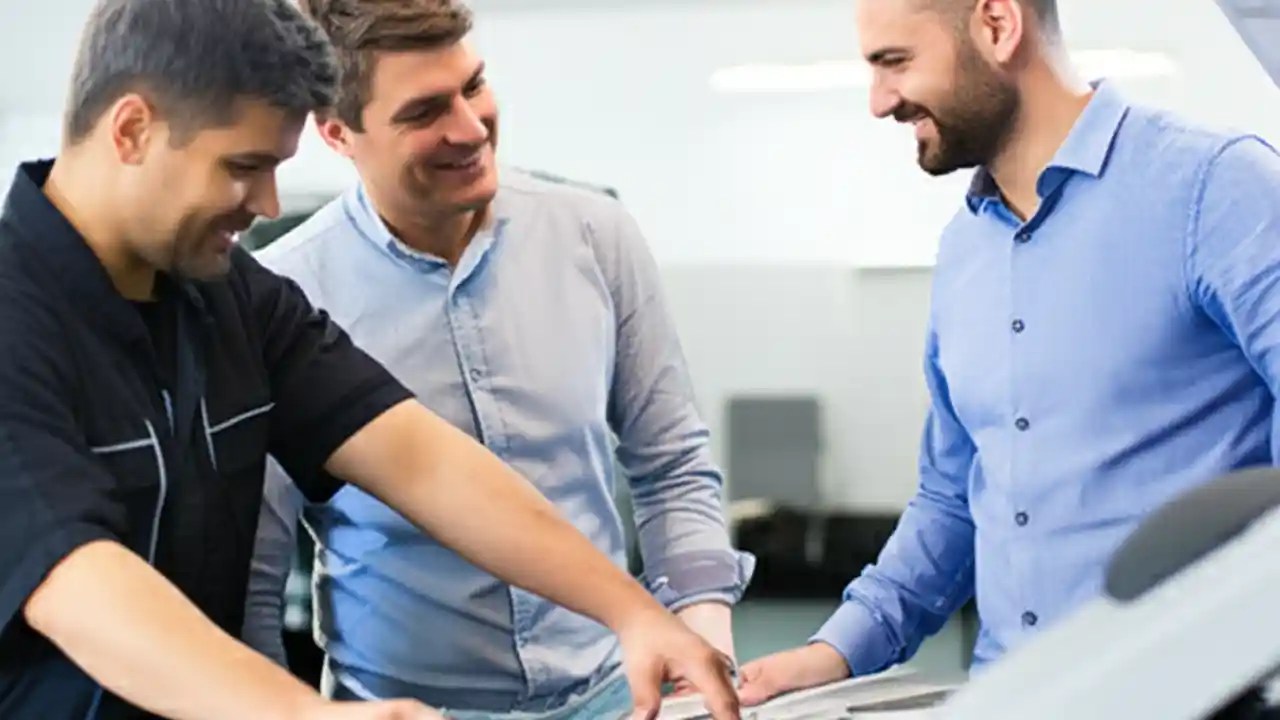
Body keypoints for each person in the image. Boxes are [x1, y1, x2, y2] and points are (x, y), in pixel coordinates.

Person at [0, 0, 743, 718]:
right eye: (244, 165)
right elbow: (77, 578)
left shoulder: (235, 300)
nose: (265, 202)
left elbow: (420, 460)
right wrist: (297, 712)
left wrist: (631, 612)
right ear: (133, 130)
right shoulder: (15, 316)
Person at [735, 0, 1280, 705]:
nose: (878, 102)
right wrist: (833, 652)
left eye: (895, 62)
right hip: (1009, 696)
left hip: (1187, 697)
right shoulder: (965, 252)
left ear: (998, 25)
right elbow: (952, 499)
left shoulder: (1216, 188)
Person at [238, 1, 753, 717]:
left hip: (618, 694)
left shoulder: (593, 236)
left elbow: (671, 463)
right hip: (409, 709)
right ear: (336, 132)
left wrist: (700, 641)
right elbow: (252, 575)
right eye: (424, 113)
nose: (471, 128)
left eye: (473, 86)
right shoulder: (285, 295)